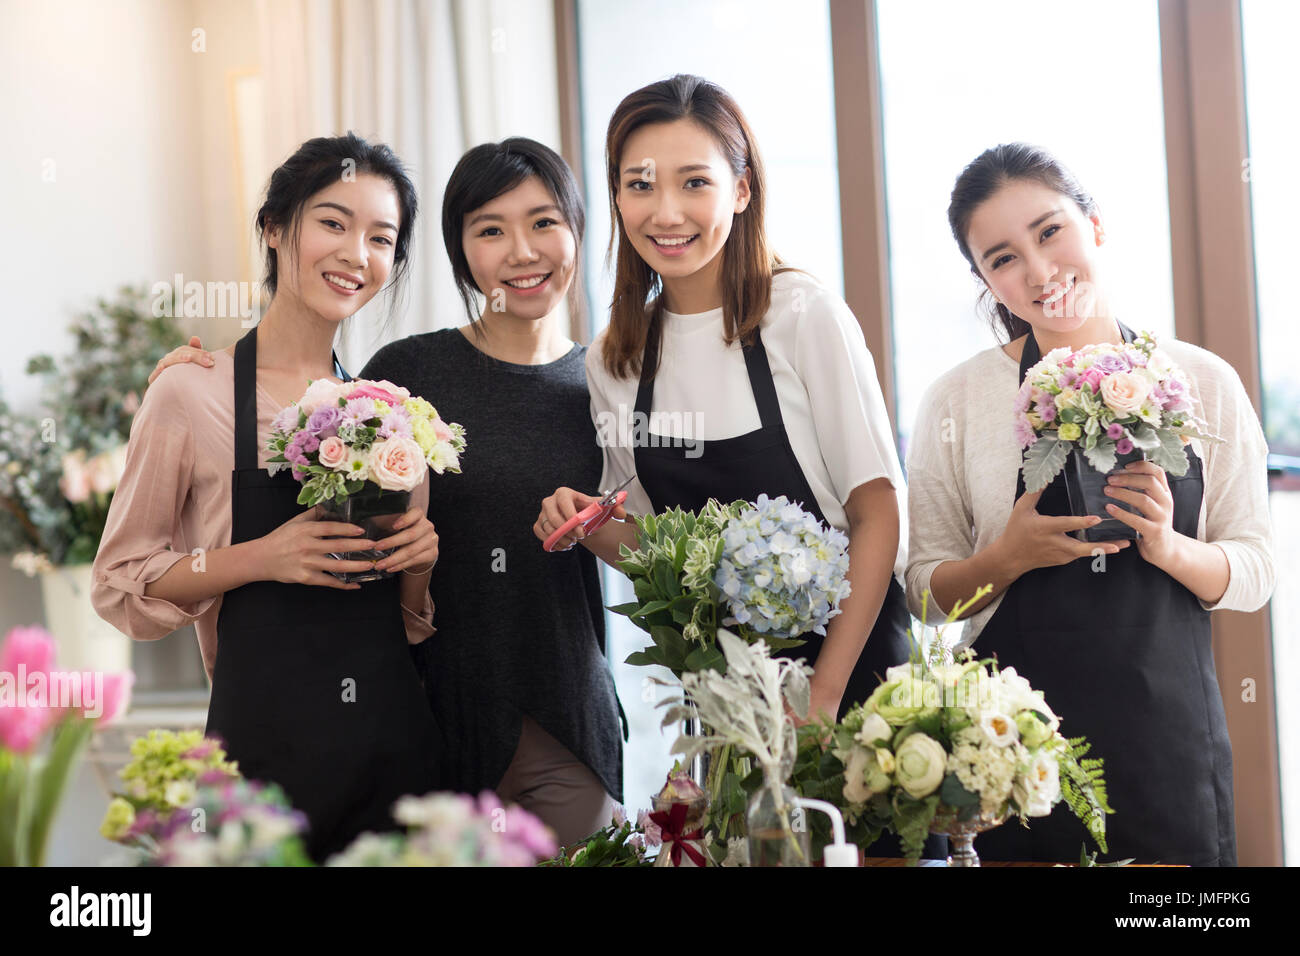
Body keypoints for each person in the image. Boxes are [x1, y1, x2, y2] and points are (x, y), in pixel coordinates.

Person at [145, 138, 624, 848]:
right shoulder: (401, 379)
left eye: (545, 222)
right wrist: (199, 375)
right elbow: (333, 549)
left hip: (566, 717)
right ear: (460, 254)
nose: (522, 250)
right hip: (425, 719)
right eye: (490, 229)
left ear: (581, 233)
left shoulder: (612, 385)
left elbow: (654, 544)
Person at [535, 74, 943, 859]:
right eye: (640, 184)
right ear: (617, 201)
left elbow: (879, 510)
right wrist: (587, 525)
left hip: (854, 683)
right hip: (728, 703)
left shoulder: (800, 313)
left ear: (744, 188)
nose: (667, 211)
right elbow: (658, 554)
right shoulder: (618, 359)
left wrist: (821, 698)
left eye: (696, 182)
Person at [906, 142, 1275, 865]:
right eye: (1002, 258)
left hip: (1170, 759)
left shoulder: (1202, 381)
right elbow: (923, 594)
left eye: (1051, 232)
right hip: (1008, 766)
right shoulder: (957, 400)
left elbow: (1256, 570)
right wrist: (1007, 559)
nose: (1039, 272)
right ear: (983, 279)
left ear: (1096, 226)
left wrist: (1169, 546)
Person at [93, 133, 442, 862]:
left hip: (393, 753)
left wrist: (418, 560)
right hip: (261, 758)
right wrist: (260, 556)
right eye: (333, 222)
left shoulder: (388, 418)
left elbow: (407, 628)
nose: (356, 253)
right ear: (276, 229)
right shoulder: (189, 392)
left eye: (382, 238)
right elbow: (123, 582)